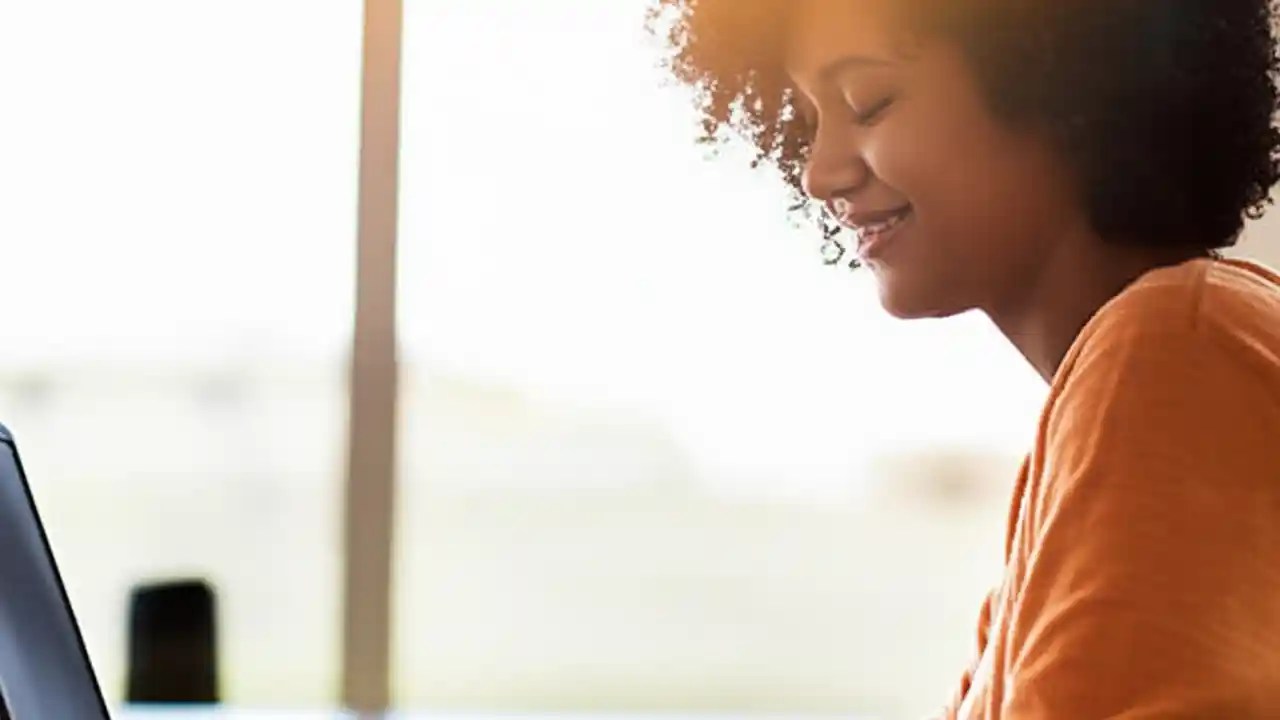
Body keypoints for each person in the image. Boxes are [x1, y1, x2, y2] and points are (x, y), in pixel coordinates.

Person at [647, 0, 1280, 717]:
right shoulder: (1128, 391)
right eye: (806, 116)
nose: (819, 174)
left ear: (1057, 82)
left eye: (868, 101)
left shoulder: (1176, 349)